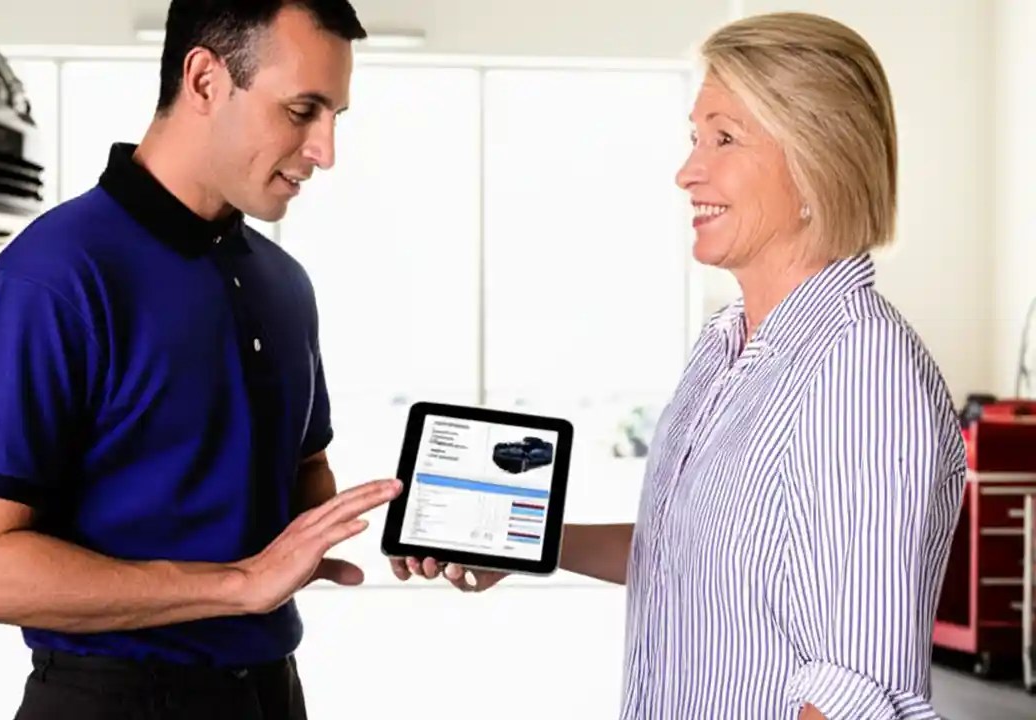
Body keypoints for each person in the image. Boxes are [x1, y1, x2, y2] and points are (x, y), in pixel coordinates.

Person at [392, 12, 966, 720]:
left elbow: (855, 687)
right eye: (695, 137)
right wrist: (526, 544)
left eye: (725, 138)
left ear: (821, 155)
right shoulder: (726, 345)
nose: (688, 170)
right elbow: (683, 552)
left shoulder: (862, 371)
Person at [0, 2, 401, 718]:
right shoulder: (52, 278)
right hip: (112, 698)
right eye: (302, 110)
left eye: (335, 114)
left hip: (272, 691)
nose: (324, 149)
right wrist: (239, 584)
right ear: (206, 79)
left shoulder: (284, 285)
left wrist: (404, 523)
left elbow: (303, 469)